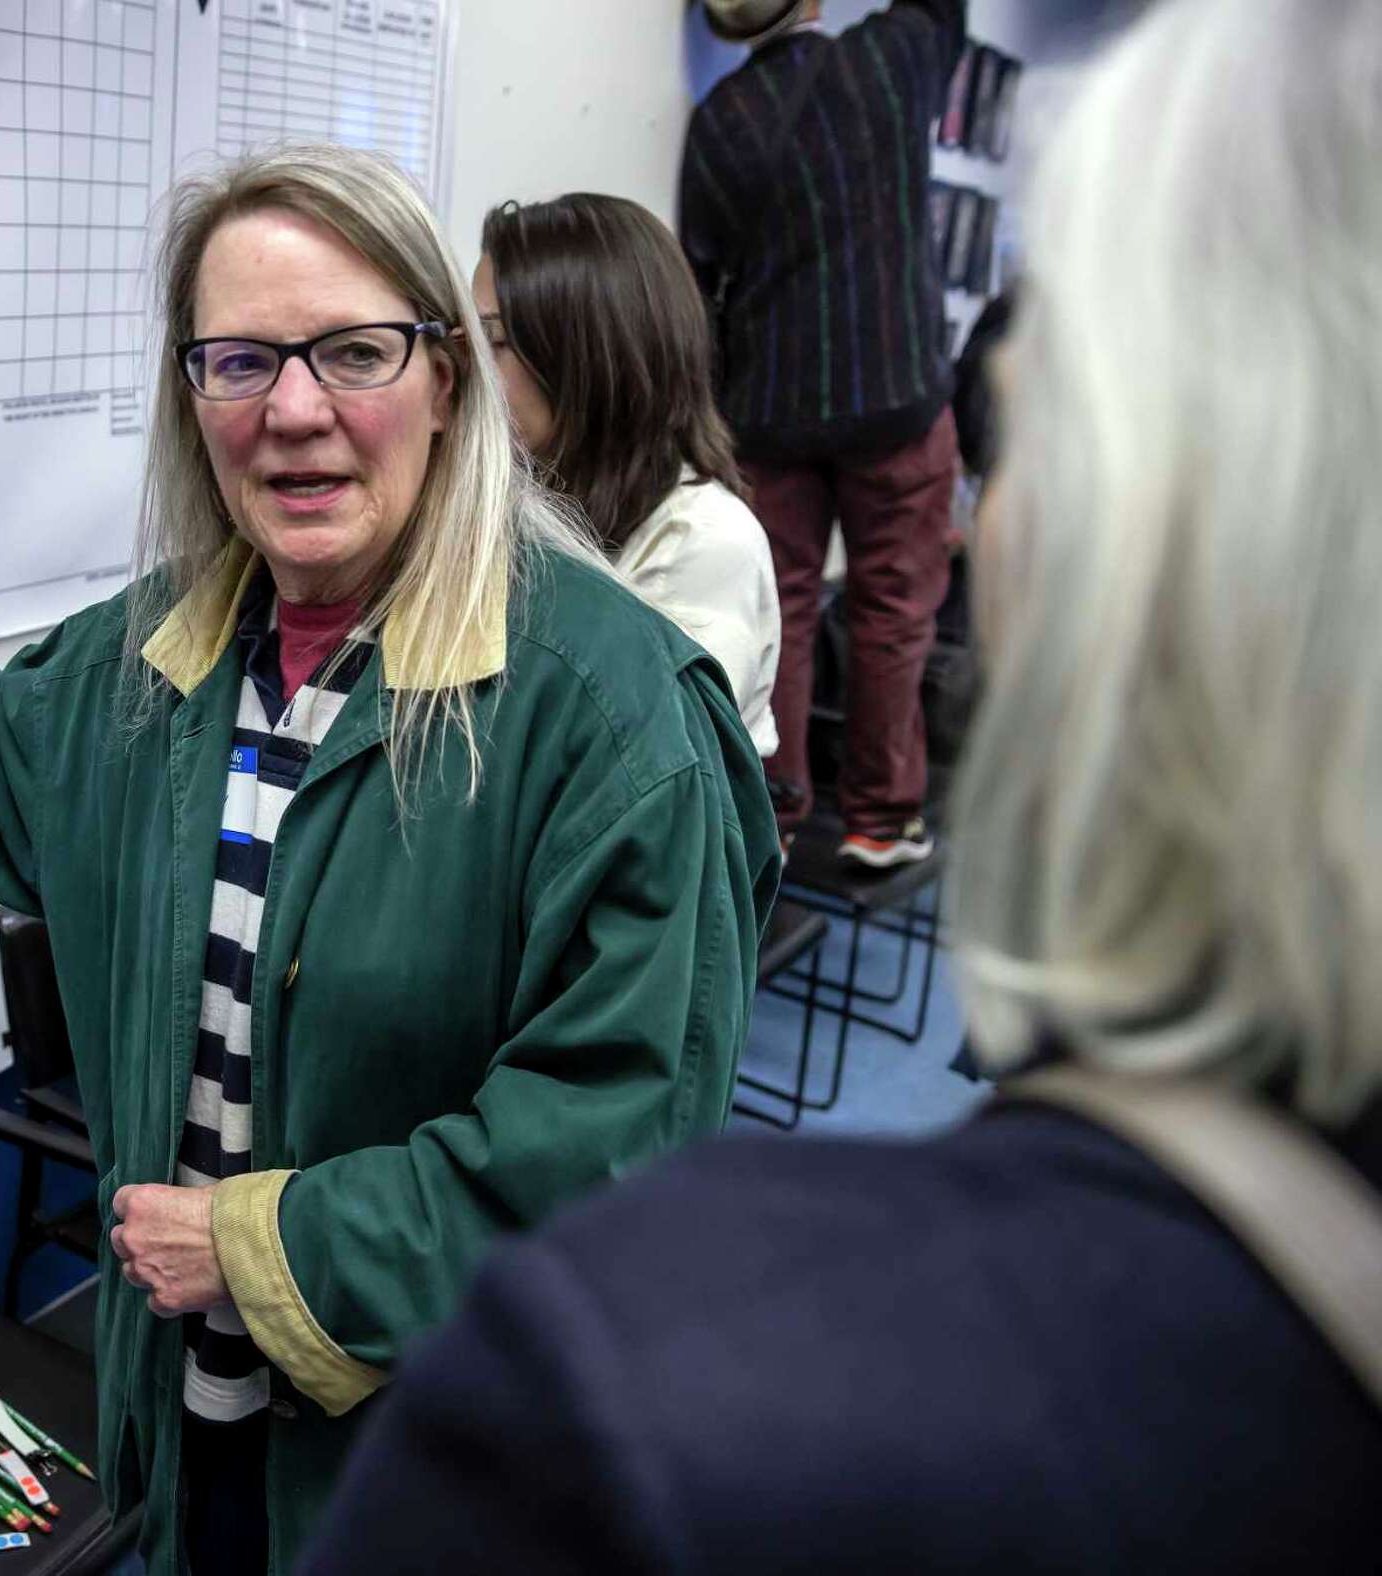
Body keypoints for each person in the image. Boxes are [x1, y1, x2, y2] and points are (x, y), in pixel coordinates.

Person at [0, 143, 780, 1574]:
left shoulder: (616, 719)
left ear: (447, 379)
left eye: (354, 353)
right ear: (192, 396)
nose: (294, 412)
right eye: (240, 361)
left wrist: (266, 1247)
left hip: (436, 1463)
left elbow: (616, 1159)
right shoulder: (160, 654)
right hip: (189, 1421)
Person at [303, 0, 1382, 1567]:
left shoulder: (623, 1415)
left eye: (482, 341)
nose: (443, 383)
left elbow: (593, 813)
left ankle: (870, 812)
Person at [682, 0, 965, 866]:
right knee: (893, 608)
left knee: (782, 609)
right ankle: (882, 819)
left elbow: (699, 279)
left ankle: (780, 806)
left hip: (768, 409)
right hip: (897, 396)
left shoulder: (716, 119)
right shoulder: (889, 60)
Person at [475, 192, 779, 757]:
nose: (468, 372)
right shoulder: (531, 495)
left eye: (493, 341)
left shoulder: (705, 541)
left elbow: (636, 761)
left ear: (581, 358)